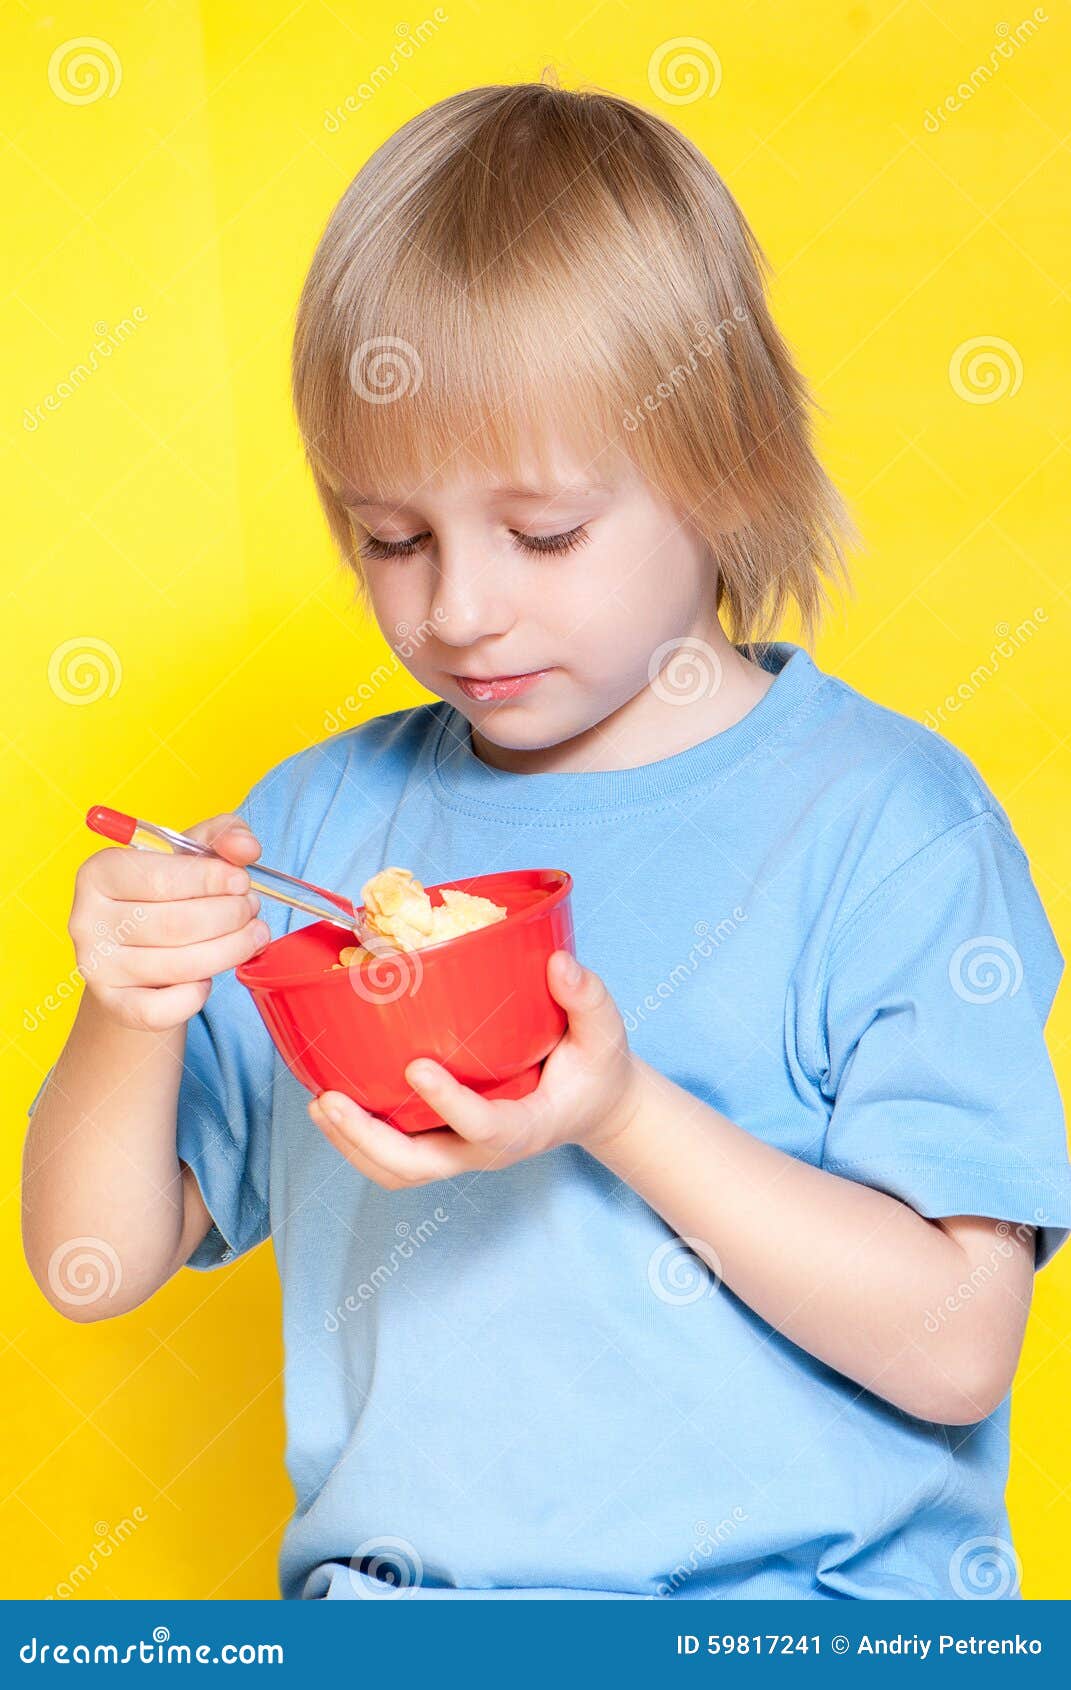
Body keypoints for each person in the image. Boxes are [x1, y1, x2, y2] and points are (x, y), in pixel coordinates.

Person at [23, 78, 1071, 1602]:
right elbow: (93, 1267)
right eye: (392, 537)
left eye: (546, 532)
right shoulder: (323, 822)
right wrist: (127, 1013)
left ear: (732, 469)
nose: (457, 607)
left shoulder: (889, 830)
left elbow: (964, 1345)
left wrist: (622, 1106)